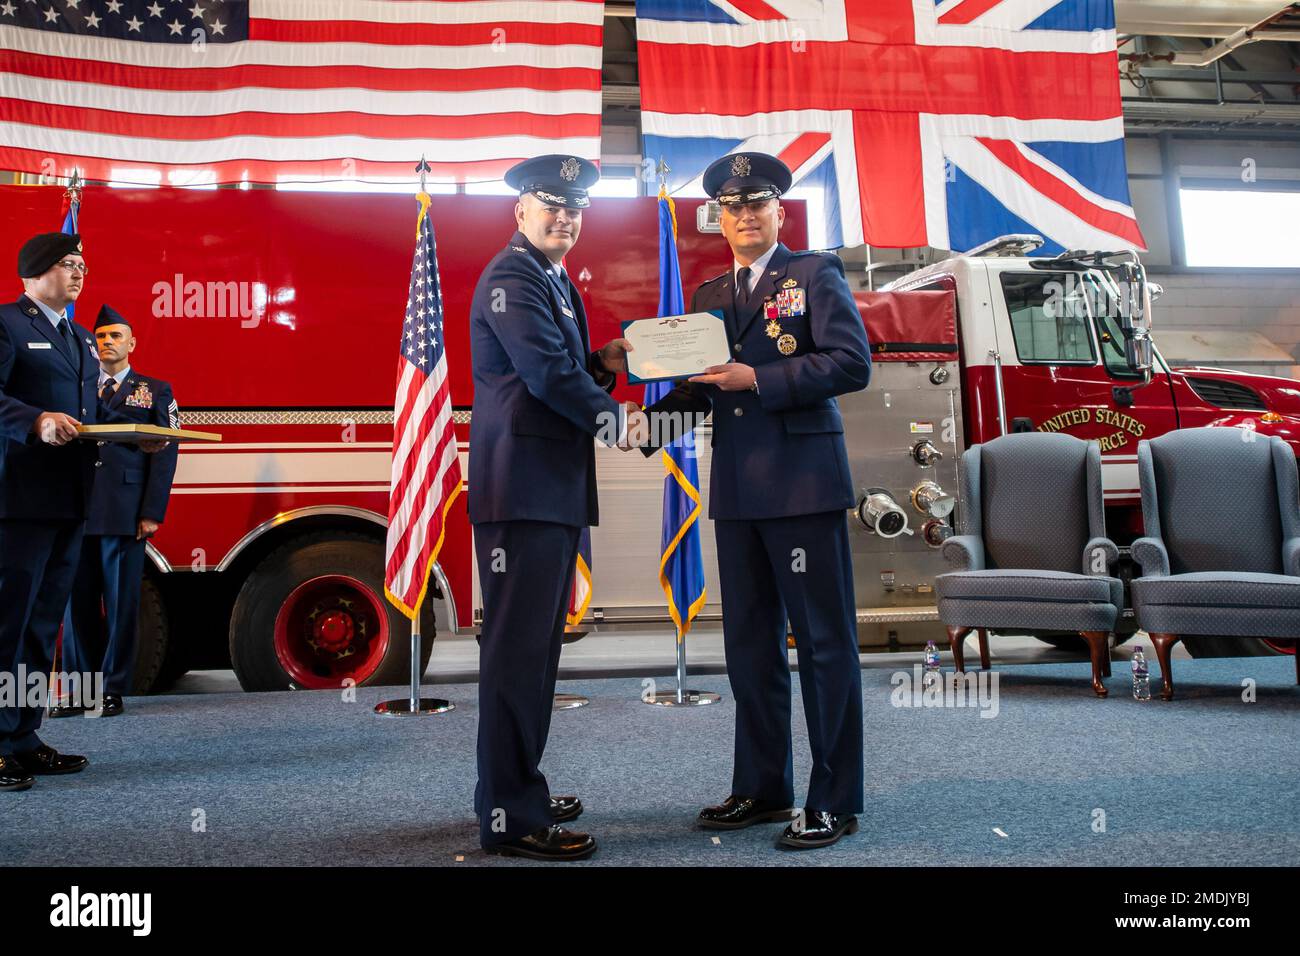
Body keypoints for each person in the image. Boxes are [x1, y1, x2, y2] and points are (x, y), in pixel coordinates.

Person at [642, 152, 872, 849]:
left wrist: (758, 380)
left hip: (802, 487)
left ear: (779, 210)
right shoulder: (713, 296)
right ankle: (763, 787)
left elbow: (850, 363)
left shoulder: (813, 274)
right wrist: (639, 424)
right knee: (750, 650)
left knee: (825, 647)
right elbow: (702, 386)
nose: (744, 214)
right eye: (731, 206)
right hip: (739, 494)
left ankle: (834, 798)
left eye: (757, 203)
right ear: (719, 218)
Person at [467, 154, 643, 860]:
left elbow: (558, 366)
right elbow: (542, 374)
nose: (565, 215)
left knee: (536, 654)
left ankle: (517, 790)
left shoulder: (552, 278)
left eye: (576, 206)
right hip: (526, 492)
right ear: (519, 209)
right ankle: (511, 816)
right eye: (552, 202)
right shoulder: (514, 275)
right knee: (517, 656)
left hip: (548, 489)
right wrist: (615, 416)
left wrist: (602, 360)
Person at [0, 233, 99, 792]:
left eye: (83, 266)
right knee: (6, 627)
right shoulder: (7, 324)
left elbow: (90, 412)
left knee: (42, 629)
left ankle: (24, 736)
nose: (79, 273)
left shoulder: (82, 339)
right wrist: (34, 421)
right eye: (68, 265)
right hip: (19, 501)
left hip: (69, 500)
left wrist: (141, 437)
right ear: (34, 273)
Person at [53, 305, 179, 719]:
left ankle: (112, 687)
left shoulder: (155, 390)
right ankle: (79, 688)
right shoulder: (79, 387)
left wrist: (152, 511)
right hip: (80, 509)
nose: (107, 342)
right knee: (77, 605)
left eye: (115, 336)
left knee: (122, 603)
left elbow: (165, 454)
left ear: (132, 343)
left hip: (127, 512)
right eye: (101, 336)